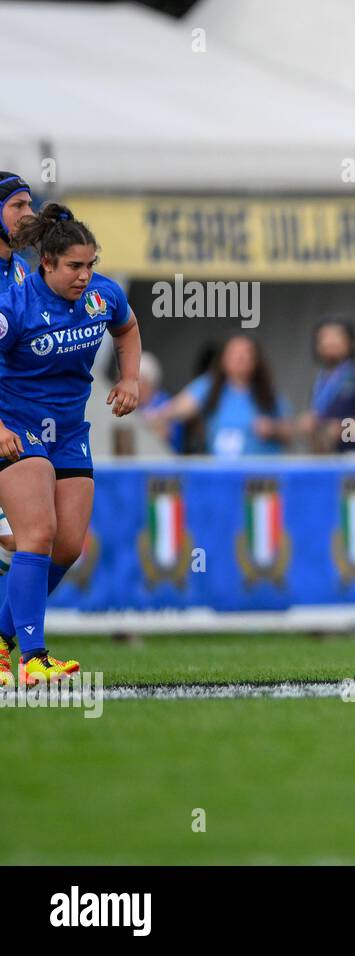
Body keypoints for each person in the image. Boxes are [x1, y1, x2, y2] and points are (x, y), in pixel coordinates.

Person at [0, 203, 141, 686]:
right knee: (36, 535)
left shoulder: (103, 296)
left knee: (67, 545)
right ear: (48, 264)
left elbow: (127, 327)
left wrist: (131, 379)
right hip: (17, 428)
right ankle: (33, 657)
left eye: (90, 264)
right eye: (74, 267)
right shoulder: (16, 304)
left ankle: (0, 641)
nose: (85, 276)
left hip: (69, 432)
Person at [154, 335, 293, 456]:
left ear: (256, 361)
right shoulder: (209, 386)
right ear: (223, 359)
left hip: (259, 476)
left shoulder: (267, 391)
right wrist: (158, 418)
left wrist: (273, 429)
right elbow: (181, 407)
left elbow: (289, 432)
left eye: (246, 354)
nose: (240, 358)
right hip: (223, 473)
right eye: (234, 353)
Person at [0, 173, 35, 576]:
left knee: (20, 538)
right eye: (18, 206)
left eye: (30, 205)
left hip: (14, 421)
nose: (28, 214)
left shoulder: (23, 272)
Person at [298, 319, 355, 453]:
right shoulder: (320, 380)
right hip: (328, 461)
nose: (329, 342)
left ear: (350, 342)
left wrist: (342, 429)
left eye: (336, 336)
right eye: (324, 337)